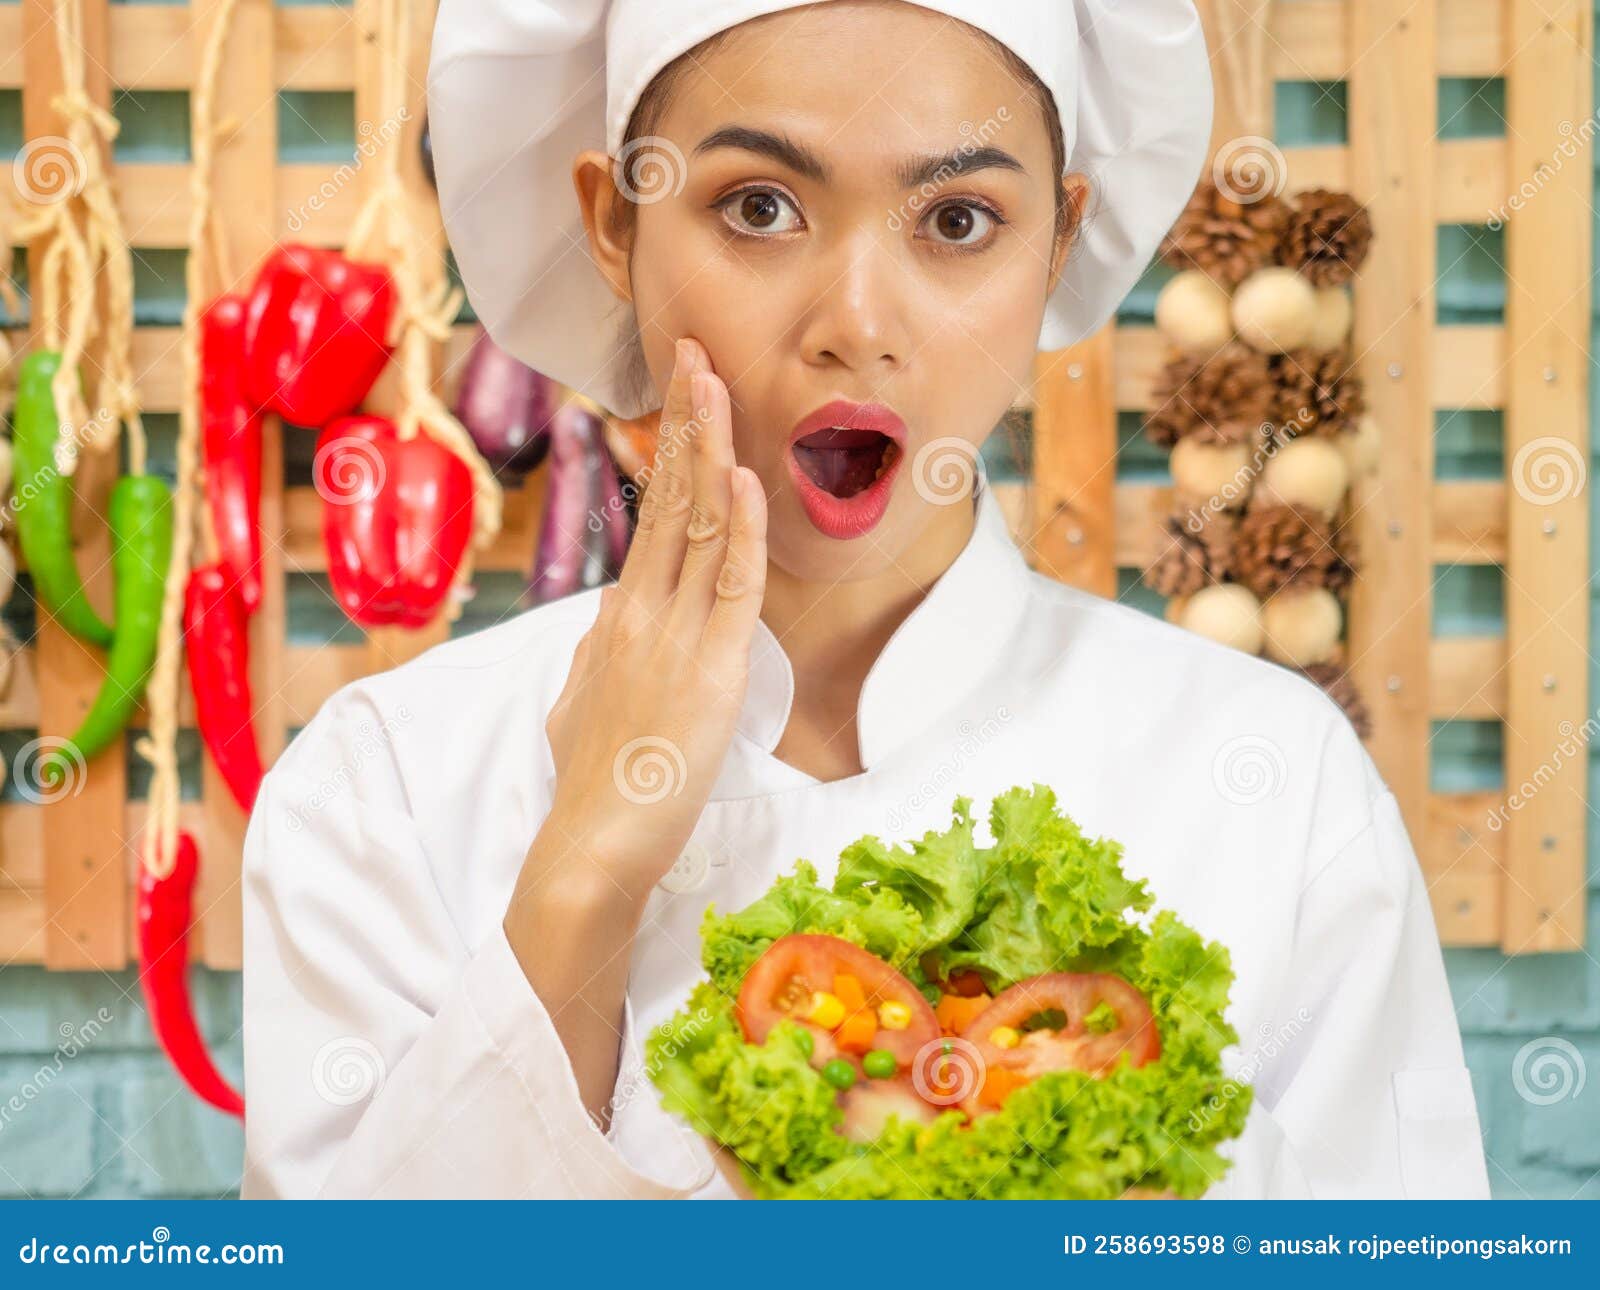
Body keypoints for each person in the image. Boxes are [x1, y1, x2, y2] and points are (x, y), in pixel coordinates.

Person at [240, 0, 1490, 1199]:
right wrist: (583, 875)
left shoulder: (1274, 781)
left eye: (956, 220)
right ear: (614, 224)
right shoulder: (386, 785)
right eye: (759, 207)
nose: (857, 323)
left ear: (1059, 240)